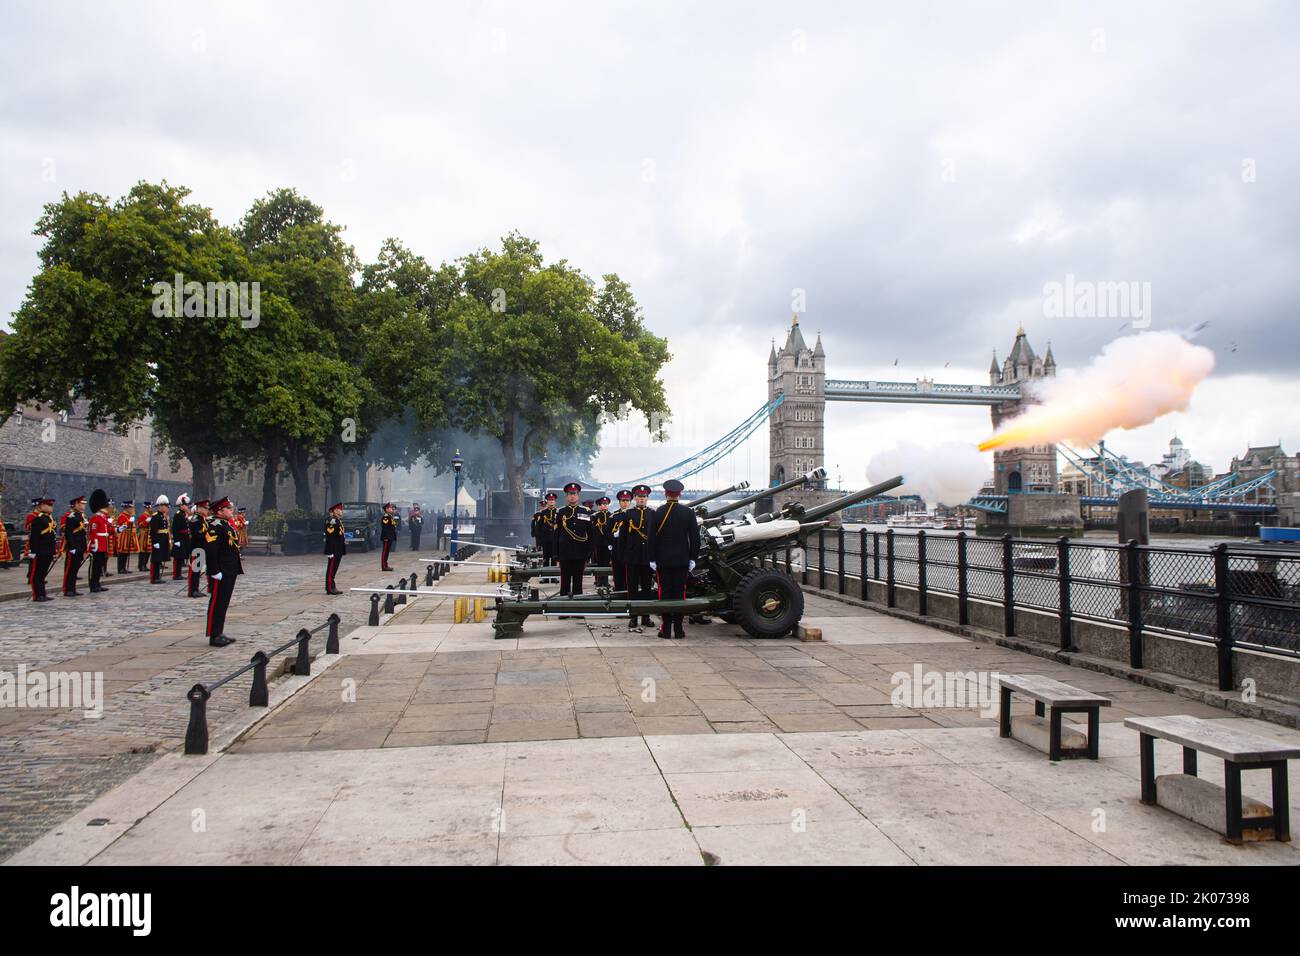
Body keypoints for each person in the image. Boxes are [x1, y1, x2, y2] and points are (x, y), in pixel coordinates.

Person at [651, 479, 701, 640]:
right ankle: (679, 630)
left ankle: (666, 630)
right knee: (680, 594)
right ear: (680, 494)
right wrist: (693, 558)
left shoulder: (658, 512)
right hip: (682, 561)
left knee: (664, 594)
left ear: (665, 493)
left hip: (663, 561)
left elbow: (651, 539)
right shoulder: (688, 512)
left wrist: (652, 558)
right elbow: (695, 539)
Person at [203, 497, 241, 647]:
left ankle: (219, 632)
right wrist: (214, 571)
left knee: (223, 602)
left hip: (229, 569)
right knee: (216, 603)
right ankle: (214, 634)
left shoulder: (225, 525)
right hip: (221, 570)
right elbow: (211, 551)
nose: (231, 511)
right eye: (228, 508)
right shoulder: (215, 526)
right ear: (220, 511)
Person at [621, 484, 657, 630]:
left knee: (647, 589)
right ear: (635, 498)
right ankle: (633, 617)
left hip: (647, 557)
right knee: (633, 588)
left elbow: (655, 537)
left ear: (647, 498)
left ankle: (646, 617)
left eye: (644, 497)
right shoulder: (628, 514)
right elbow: (623, 537)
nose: (641, 499)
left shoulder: (652, 514)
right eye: (639, 497)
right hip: (633, 557)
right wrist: (623, 555)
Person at [555, 482, 592, 597]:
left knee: (578, 582)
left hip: (580, 552)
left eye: (574, 494)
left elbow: (590, 533)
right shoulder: (560, 512)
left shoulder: (585, 511)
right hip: (565, 552)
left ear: (578, 495)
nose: (572, 496)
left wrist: (589, 553)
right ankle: (563, 610)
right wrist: (556, 554)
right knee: (564, 582)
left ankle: (578, 609)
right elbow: (556, 534)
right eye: (570, 494)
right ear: (567, 496)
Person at [28, 498, 57, 601]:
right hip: (40, 550)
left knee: (43, 573)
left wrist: (54, 551)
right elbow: (34, 537)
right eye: (49, 505)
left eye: (51, 505)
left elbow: (52, 537)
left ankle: (43, 593)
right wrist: (33, 551)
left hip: (48, 550)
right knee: (37, 574)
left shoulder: (50, 519)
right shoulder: (38, 519)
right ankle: (37, 595)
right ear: (42, 506)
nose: (51, 507)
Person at [607, 489, 633, 596]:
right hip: (617, 551)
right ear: (619, 502)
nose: (625, 502)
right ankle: (618, 600)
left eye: (627, 500)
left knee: (631, 578)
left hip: (631, 551)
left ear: (630, 501)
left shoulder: (634, 514)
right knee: (618, 577)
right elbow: (607, 534)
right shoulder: (614, 516)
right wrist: (614, 535)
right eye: (623, 500)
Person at [86, 489, 112, 593]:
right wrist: (94, 544)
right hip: (97, 545)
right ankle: (93, 585)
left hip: (103, 544)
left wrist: (118, 529)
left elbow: (109, 529)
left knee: (99, 565)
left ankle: (97, 583)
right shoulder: (95, 519)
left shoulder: (102, 518)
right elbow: (92, 533)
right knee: (94, 567)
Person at [61, 495, 88, 597]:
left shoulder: (80, 516)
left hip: (80, 546)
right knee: (70, 570)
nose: (84, 506)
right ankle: (67, 589)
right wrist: (71, 547)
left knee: (75, 569)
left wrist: (85, 549)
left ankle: (72, 588)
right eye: (82, 504)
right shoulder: (71, 517)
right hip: (74, 546)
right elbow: (69, 533)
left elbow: (83, 534)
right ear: (76, 504)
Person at [187, 500, 210, 597]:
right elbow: (196, 534)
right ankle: (192, 590)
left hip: (201, 547)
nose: (207, 510)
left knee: (198, 570)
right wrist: (207, 537)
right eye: (205, 508)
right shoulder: (195, 519)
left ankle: (196, 588)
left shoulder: (202, 519)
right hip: (196, 547)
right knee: (194, 570)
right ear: (199, 508)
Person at [590, 496, 614, 587]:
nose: (604, 506)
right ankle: (600, 580)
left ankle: (606, 581)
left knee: (607, 562)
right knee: (599, 562)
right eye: (603, 504)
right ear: (600, 505)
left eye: (606, 504)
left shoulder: (611, 516)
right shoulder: (595, 516)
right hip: (598, 542)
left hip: (607, 543)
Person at [149, 495, 171, 583]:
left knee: (160, 559)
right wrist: (155, 542)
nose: (167, 508)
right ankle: (154, 577)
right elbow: (153, 531)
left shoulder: (163, 516)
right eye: (165, 506)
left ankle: (157, 577)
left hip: (163, 540)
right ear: (160, 506)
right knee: (156, 560)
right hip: (158, 540)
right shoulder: (155, 516)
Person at [532, 493, 558, 569]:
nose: (551, 502)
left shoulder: (558, 512)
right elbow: (538, 527)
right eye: (549, 500)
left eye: (552, 500)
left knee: (554, 558)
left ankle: (553, 577)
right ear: (547, 501)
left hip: (555, 539)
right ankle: (544, 577)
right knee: (545, 558)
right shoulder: (543, 513)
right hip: (545, 538)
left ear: (555, 501)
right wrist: (539, 541)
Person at [171, 494, 192, 581]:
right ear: (182, 506)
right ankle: (176, 574)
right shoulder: (178, 514)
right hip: (179, 538)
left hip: (184, 537)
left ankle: (179, 573)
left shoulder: (184, 514)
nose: (187, 507)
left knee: (182, 556)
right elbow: (175, 528)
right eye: (186, 505)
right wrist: (176, 540)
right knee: (178, 557)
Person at [114, 501, 137, 574]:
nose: (132, 509)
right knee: (122, 553)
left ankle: (124, 568)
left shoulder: (129, 516)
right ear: (127, 508)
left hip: (128, 536)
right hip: (124, 536)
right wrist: (129, 522)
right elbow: (123, 526)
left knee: (126, 553)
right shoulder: (122, 516)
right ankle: (120, 568)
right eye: (131, 507)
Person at [379, 502, 399, 571]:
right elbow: (386, 528)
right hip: (386, 537)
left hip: (390, 536)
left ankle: (386, 565)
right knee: (385, 552)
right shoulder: (386, 517)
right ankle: (384, 566)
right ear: (386, 509)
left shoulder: (390, 516)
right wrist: (387, 537)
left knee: (387, 551)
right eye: (390, 508)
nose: (392, 509)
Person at [136, 502, 153, 572]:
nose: (150, 509)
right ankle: (141, 565)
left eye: (150, 507)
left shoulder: (150, 515)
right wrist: (146, 521)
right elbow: (139, 525)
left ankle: (145, 565)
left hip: (148, 534)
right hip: (143, 534)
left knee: (148, 551)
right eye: (149, 508)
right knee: (143, 551)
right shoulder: (143, 516)